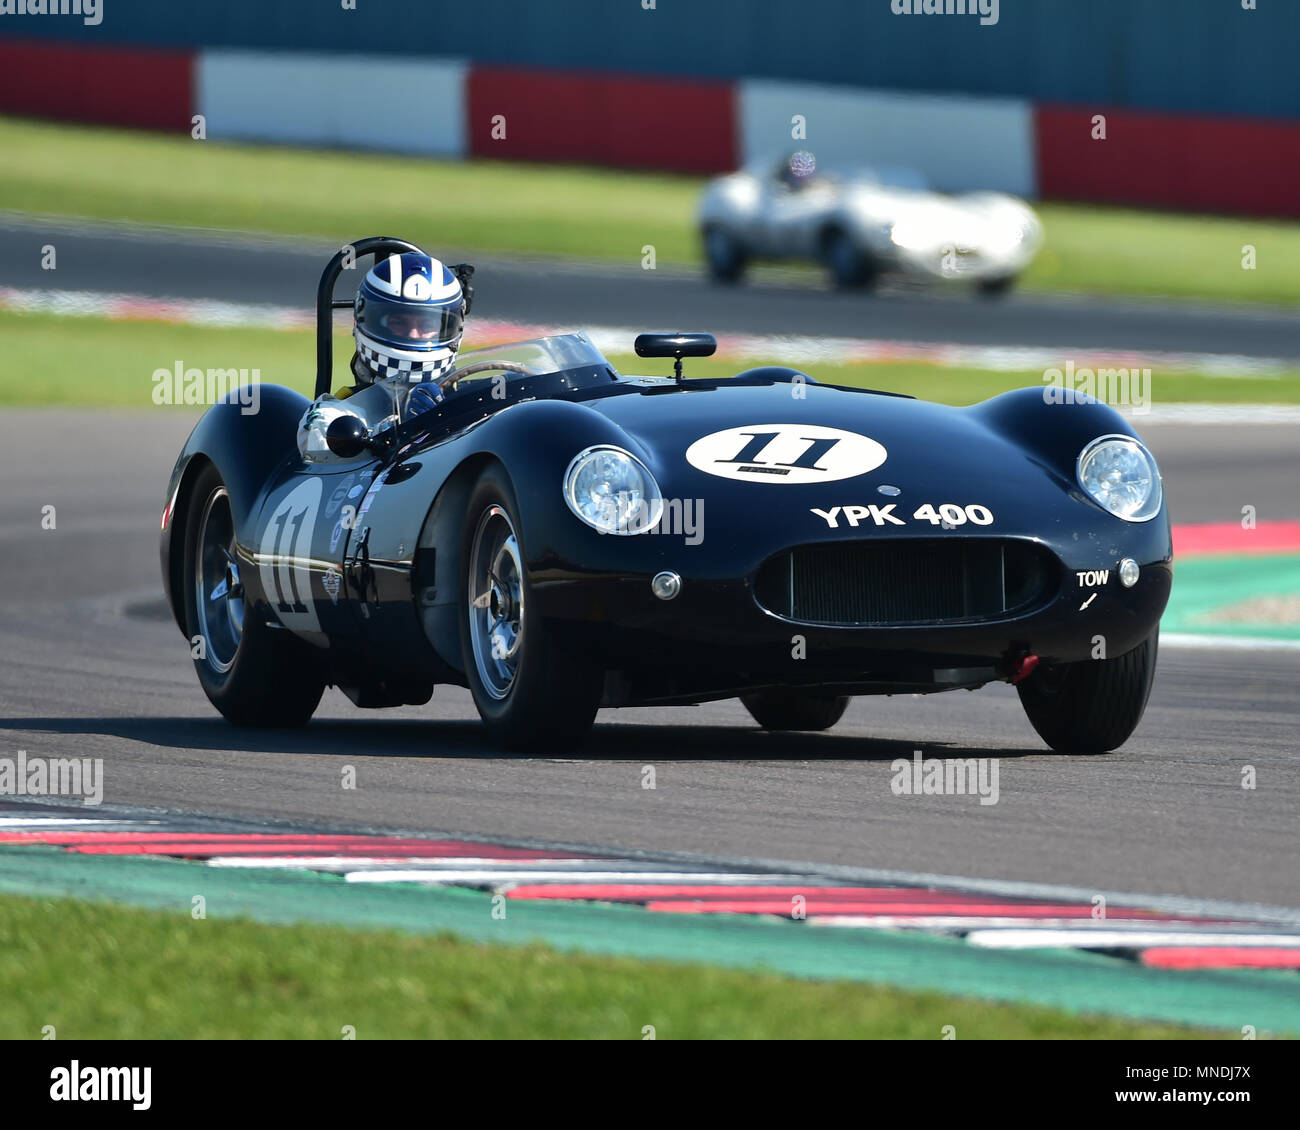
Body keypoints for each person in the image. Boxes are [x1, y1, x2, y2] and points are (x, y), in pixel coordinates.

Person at [298, 252, 474, 462]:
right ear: (365, 321)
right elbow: (318, 447)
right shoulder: (335, 415)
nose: (414, 335)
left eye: (427, 325)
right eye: (399, 324)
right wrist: (401, 429)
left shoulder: (474, 397)